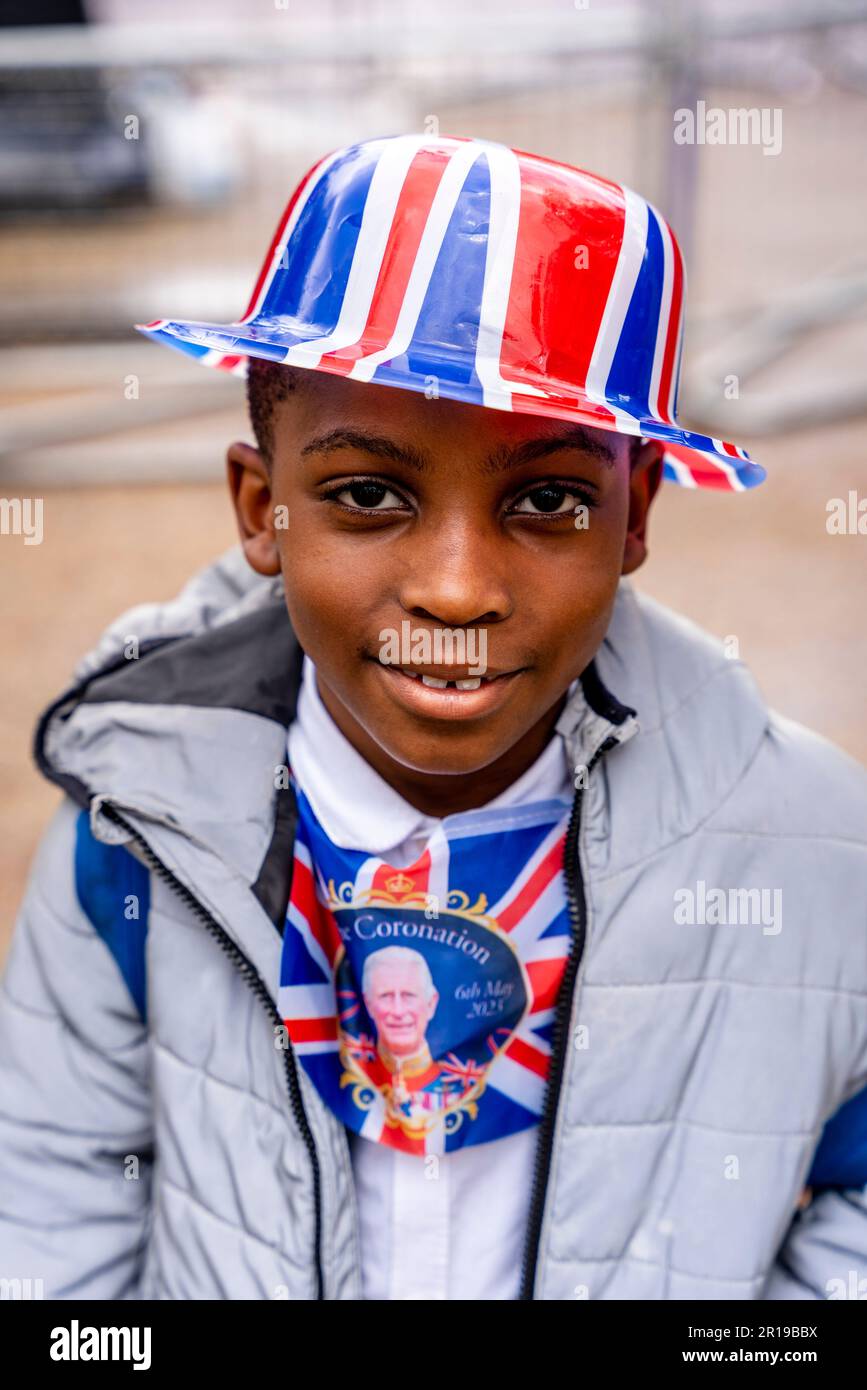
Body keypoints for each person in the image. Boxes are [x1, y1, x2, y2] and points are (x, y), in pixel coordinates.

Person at [1, 134, 865, 1302]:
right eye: (367, 494)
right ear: (264, 511)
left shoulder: (815, 852)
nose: (457, 588)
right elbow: (50, 1226)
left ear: (636, 519)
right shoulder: (138, 837)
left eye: (550, 499)